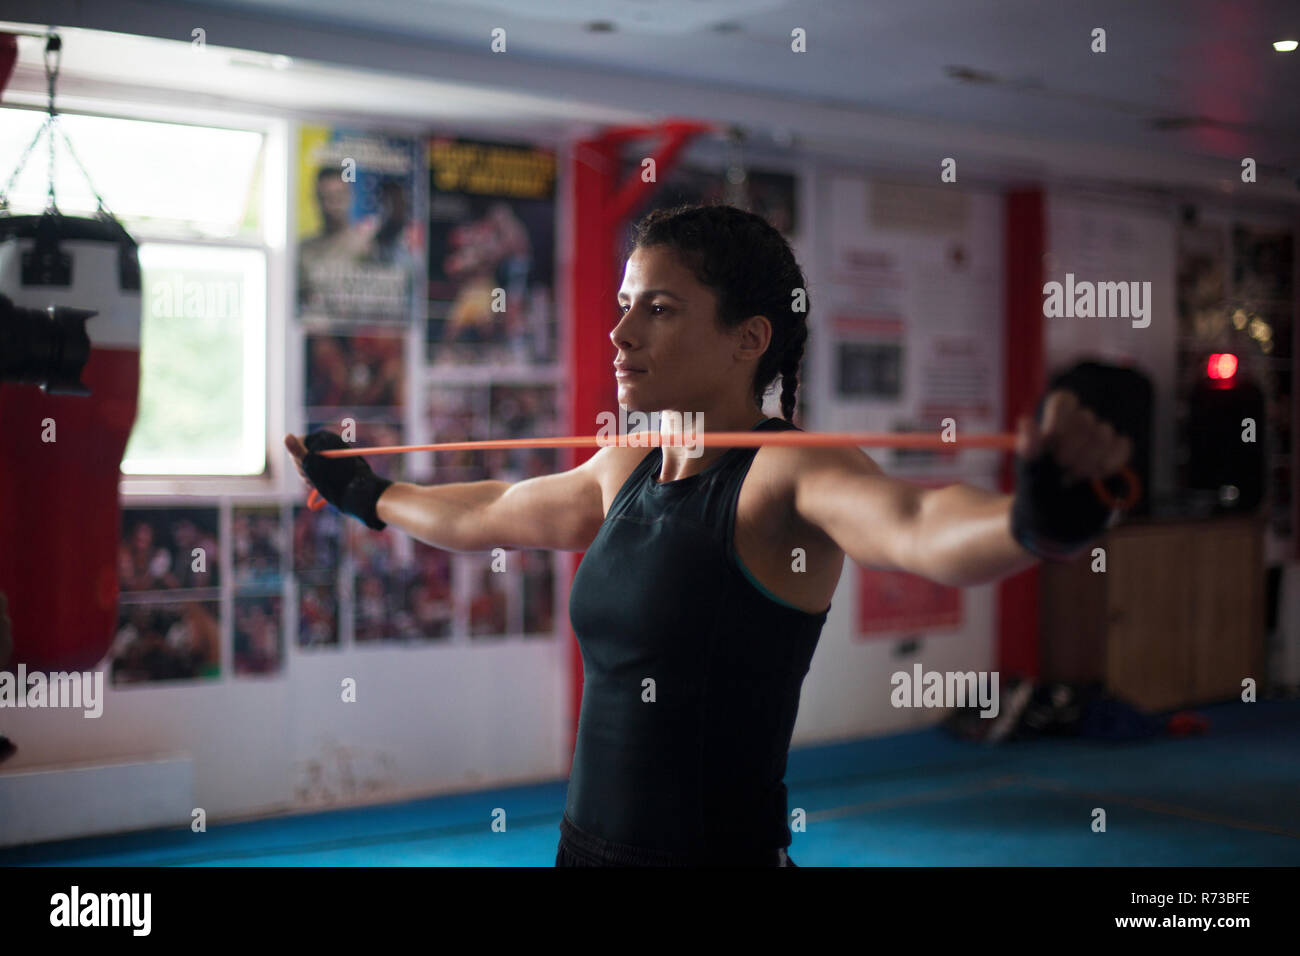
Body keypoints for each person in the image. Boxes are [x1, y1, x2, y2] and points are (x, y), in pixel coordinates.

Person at [285, 203, 1132, 867]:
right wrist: (366, 490)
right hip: (584, 855)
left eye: (658, 309)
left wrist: (1035, 519)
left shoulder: (787, 473)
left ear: (748, 340)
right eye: (624, 306)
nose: (621, 334)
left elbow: (917, 525)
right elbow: (486, 513)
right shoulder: (629, 467)